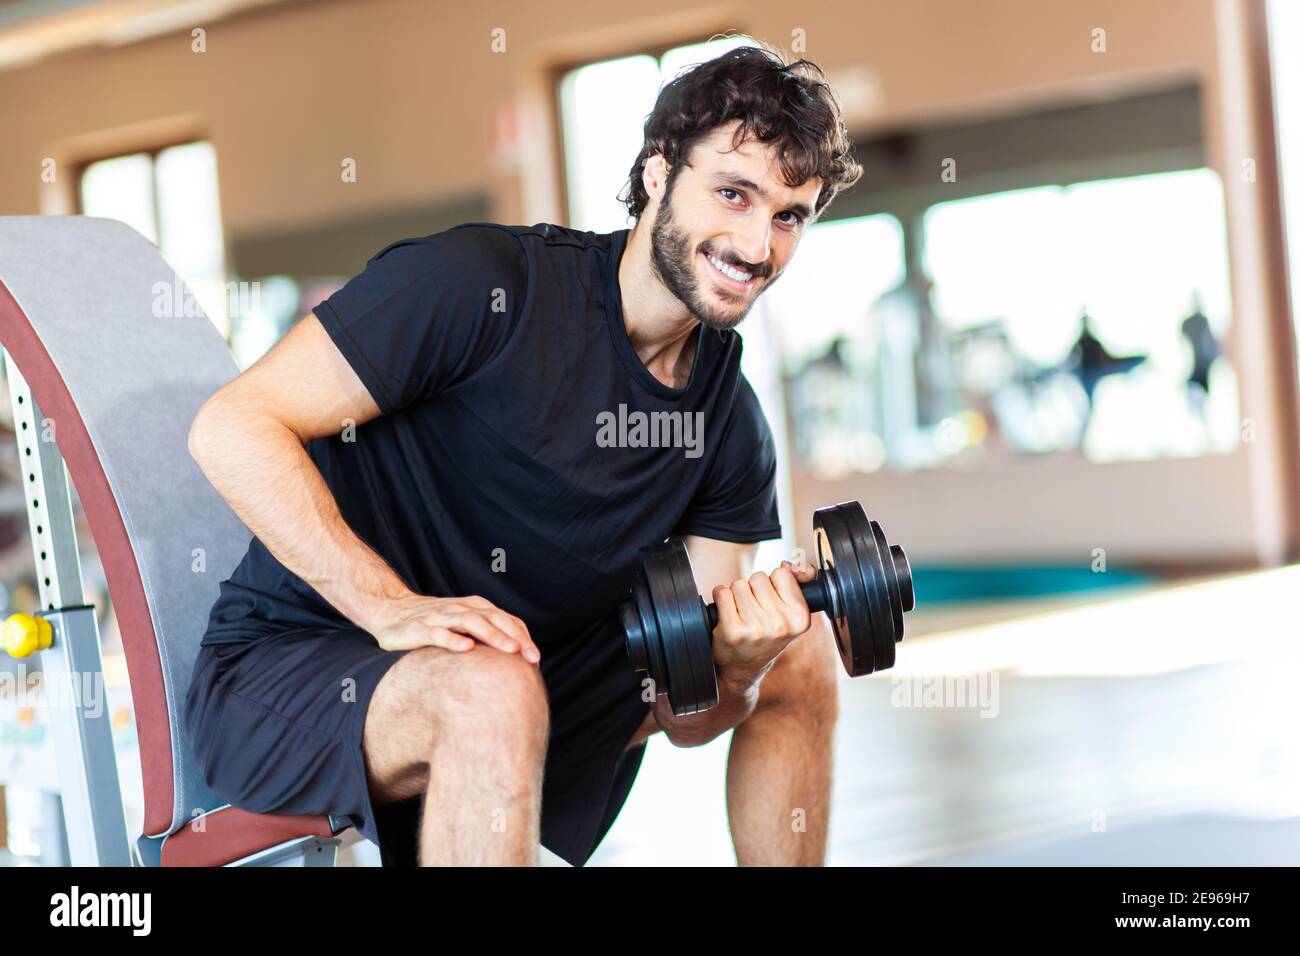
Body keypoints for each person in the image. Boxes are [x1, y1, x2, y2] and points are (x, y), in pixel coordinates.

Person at [183, 42, 863, 866]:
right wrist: (390, 607)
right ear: (658, 175)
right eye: (733, 194)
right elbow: (232, 425)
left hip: (531, 679)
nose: (757, 244)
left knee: (803, 649)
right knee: (491, 689)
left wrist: (740, 667)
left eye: (789, 215)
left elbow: (689, 707)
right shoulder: (479, 286)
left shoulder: (729, 425)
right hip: (299, 667)